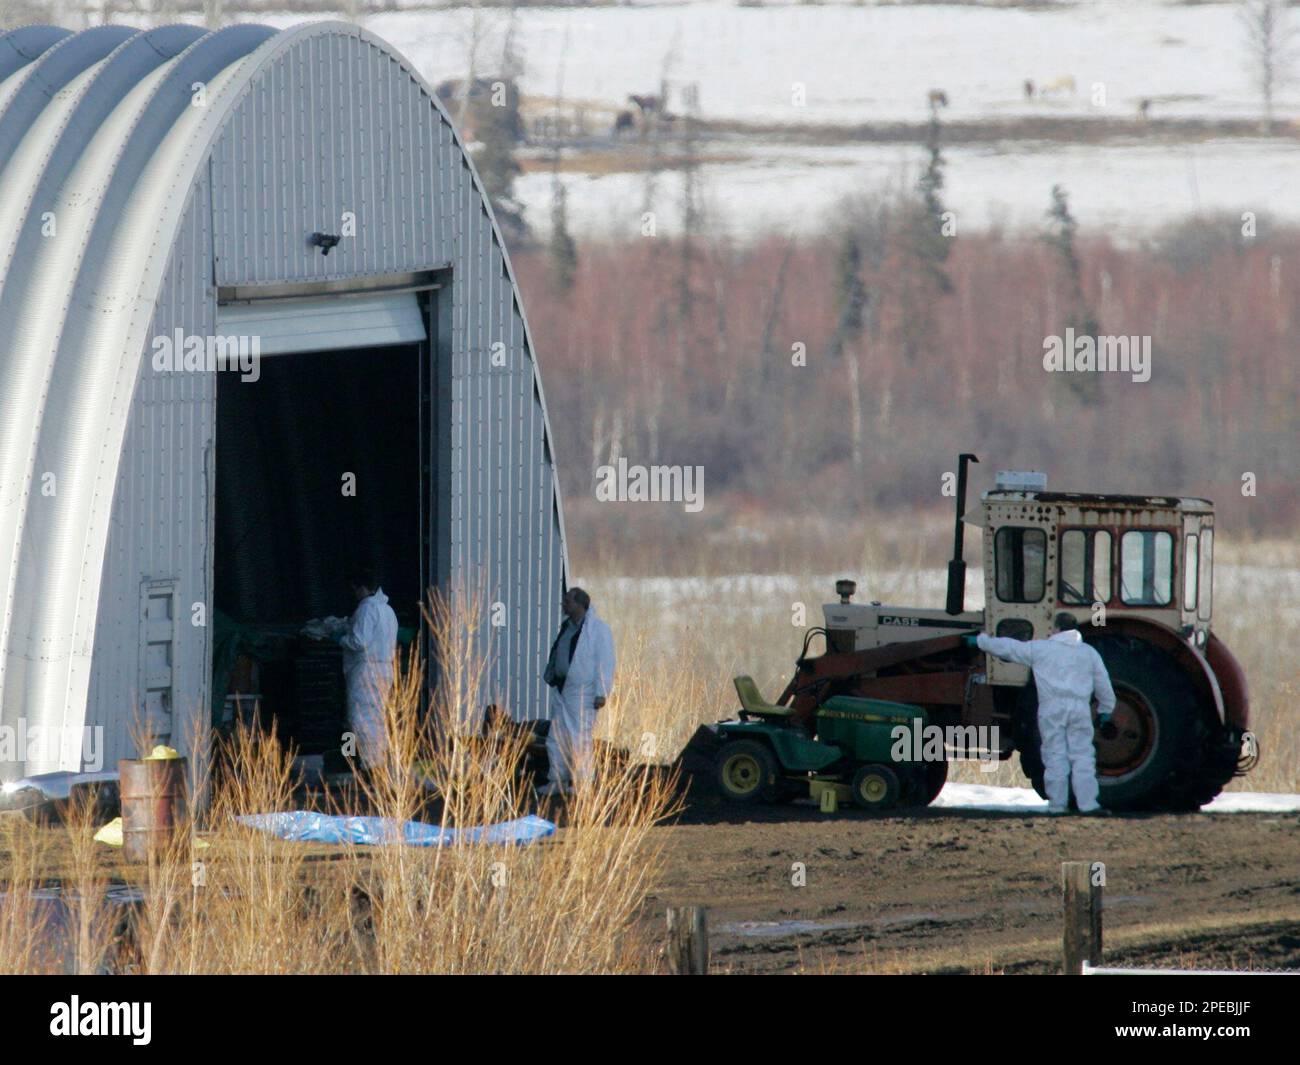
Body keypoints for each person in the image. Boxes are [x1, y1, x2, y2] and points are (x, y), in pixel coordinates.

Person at [967, 612, 1116, 815]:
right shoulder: (1089, 653)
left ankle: (1057, 806)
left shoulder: (1041, 649)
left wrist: (981, 641)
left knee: (1055, 756)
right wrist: (1105, 709)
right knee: (1082, 756)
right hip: (1080, 709)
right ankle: (1088, 805)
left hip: (1051, 708)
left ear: (1056, 628)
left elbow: (1010, 648)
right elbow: (1103, 684)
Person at [540, 587, 615, 796]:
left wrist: (602, 691)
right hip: (563, 690)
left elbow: (606, 661)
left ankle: (582, 783)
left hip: (583, 693)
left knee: (579, 736)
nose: (564, 605)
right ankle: (557, 780)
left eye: (568, 602)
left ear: (580, 604)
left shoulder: (598, 630)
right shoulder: (568, 627)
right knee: (557, 736)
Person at [336, 567, 399, 771]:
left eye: (354, 589)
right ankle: (379, 763)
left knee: (360, 718)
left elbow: (359, 641)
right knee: (377, 718)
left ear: (361, 588)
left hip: (366, 672)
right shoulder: (388, 610)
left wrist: (340, 639)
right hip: (385, 669)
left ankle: (369, 766)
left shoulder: (366, 608)